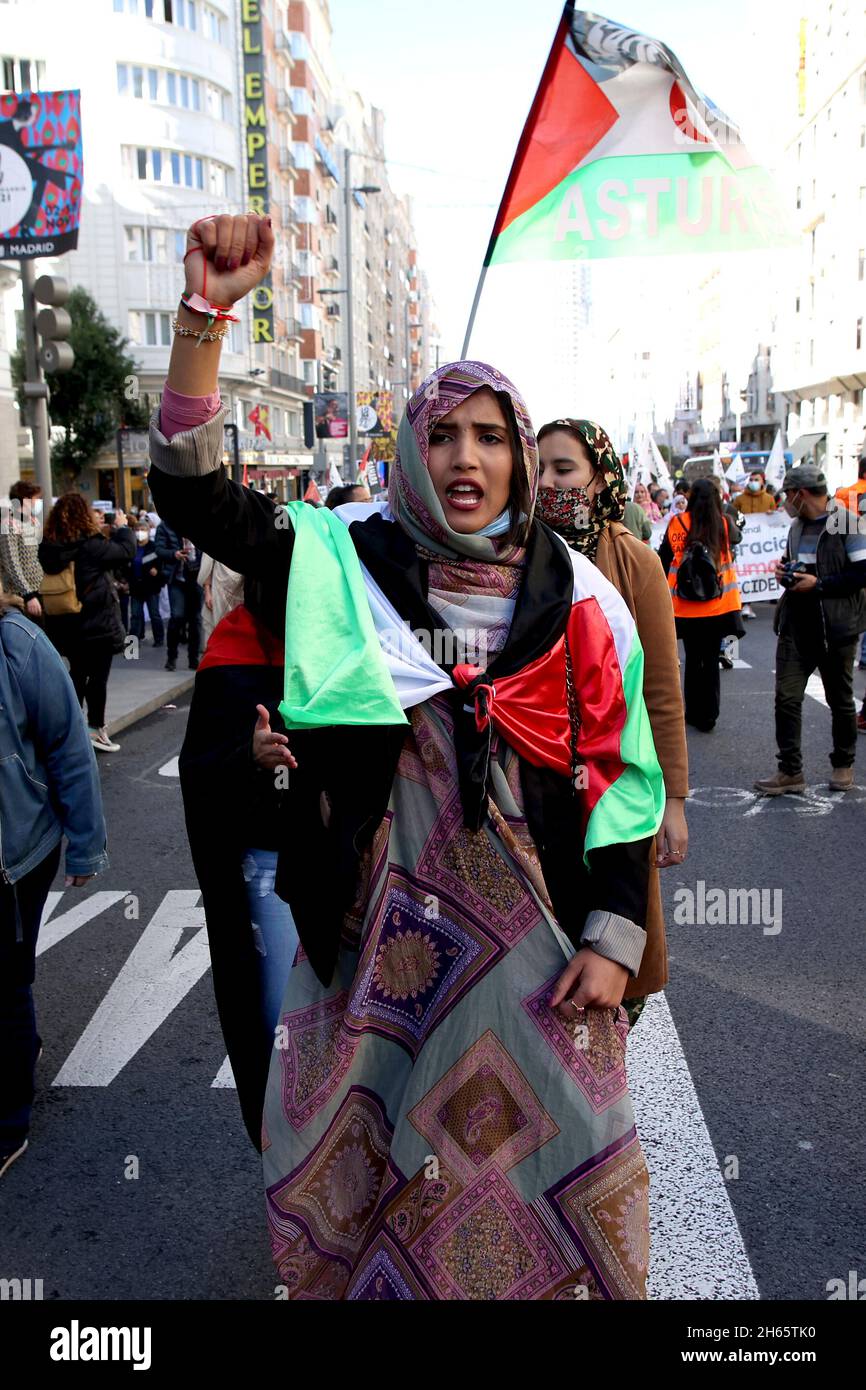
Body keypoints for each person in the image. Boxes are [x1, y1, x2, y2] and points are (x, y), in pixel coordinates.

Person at [146, 211, 666, 1301]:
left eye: (489, 436)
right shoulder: (338, 558)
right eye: (442, 435)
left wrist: (615, 938)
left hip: (544, 953)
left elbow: (622, 774)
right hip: (380, 944)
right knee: (380, 1182)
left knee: (558, 1179)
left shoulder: (577, 595)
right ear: (408, 449)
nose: (465, 458)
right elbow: (193, 494)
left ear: (519, 455)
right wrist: (204, 317)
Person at [537, 417, 688, 1028]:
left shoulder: (635, 564)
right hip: (537, 783)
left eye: (565, 470)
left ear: (600, 478)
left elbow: (660, 692)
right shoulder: (516, 553)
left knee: (616, 963)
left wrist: (672, 801)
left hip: (613, 782)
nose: (548, 483)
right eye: (539, 469)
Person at [178, 601, 299, 1147]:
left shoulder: (360, 626)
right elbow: (199, 769)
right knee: (284, 1031)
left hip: (362, 867)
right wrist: (248, 758)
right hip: (270, 866)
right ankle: (293, 1174)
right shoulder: (233, 642)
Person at [0, 599, 109, 1177]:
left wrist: (86, 844)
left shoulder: (19, 642)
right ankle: (23, 1049)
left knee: (7, 982)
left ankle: (8, 1122)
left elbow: (70, 749)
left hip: (15, 855)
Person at [754, 464, 866, 795]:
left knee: (840, 699)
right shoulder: (796, 525)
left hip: (835, 627)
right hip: (796, 624)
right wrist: (786, 571)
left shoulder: (846, 520)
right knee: (786, 698)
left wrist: (819, 585)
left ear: (801, 494)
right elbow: (796, 560)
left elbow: (861, 574)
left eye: (787, 495)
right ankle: (790, 771)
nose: (784, 502)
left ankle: (843, 764)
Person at [38, 494, 134, 754]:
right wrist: (123, 527)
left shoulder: (49, 547)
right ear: (84, 515)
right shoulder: (90, 546)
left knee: (77, 674)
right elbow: (126, 552)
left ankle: (67, 728)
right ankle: (95, 729)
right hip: (96, 624)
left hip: (65, 625)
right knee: (98, 678)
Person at [658, 477, 744, 732]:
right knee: (711, 661)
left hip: (685, 605)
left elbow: (665, 556)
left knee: (693, 659)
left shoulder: (678, 523)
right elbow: (738, 537)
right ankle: (710, 714)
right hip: (719, 606)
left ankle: (693, 712)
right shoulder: (724, 524)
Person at [154, 521, 202, 672]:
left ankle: (193, 659)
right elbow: (159, 549)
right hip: (177, 579)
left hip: (196, 578)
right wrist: (173, 554)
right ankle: (171, 657)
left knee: (196, 620)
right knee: (177, 616)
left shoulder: (199, 522)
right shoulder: (165, 525)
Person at [0, 481, 44, 620]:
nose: (38, 502)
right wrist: (28, 594)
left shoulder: (33, 522)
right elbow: (12, 564)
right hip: (19, 596)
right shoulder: (9, 525)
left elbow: (37, 556)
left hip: (40, 590)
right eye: (36, 498)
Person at [127, 519, 166, 646]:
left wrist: (157, 572)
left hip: (151, 587)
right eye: (137, 530)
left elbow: (162, 565)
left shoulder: (154, 548)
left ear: (148, 531)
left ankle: (159, 639)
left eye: (143, 530)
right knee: (135, 615)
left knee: (154, 614)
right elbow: (127, 566)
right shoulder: (132, 547)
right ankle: (133, 641)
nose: (139, 533)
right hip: (135, 587)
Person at [198, 553, 244, 646]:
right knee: (217, 627)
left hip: (240, 592)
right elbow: (208, 563)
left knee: (238, 632)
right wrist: (207, 592)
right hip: (219, 588)